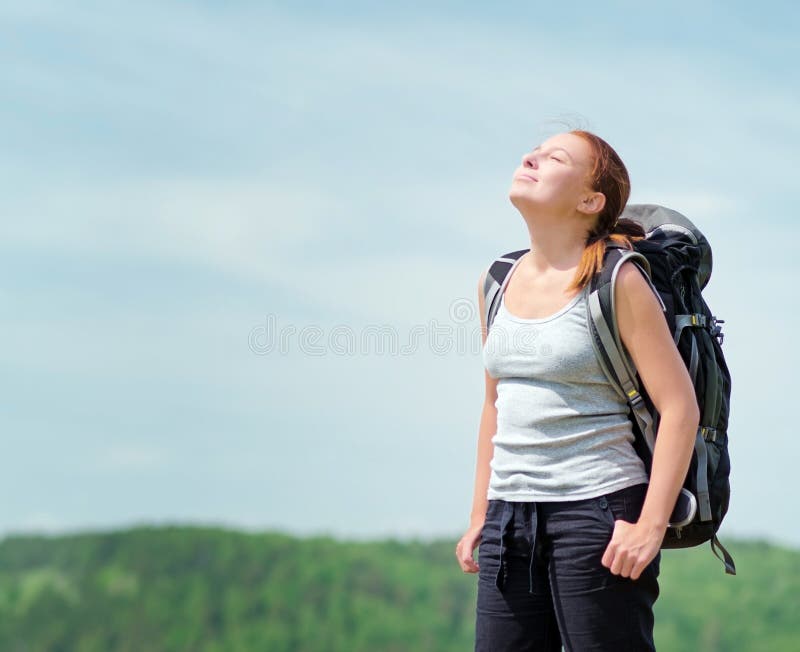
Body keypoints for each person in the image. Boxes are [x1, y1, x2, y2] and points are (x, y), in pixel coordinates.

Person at [454, 130, 699, 651]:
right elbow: (495, 403)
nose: (531, 157)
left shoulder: (618, 280)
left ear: (591, 201)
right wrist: (481, 515)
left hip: (599, 514)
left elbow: (680, 408)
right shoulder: (495, 281)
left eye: (554, 157)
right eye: (534, 151)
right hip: (508, 517)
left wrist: (650, 526)